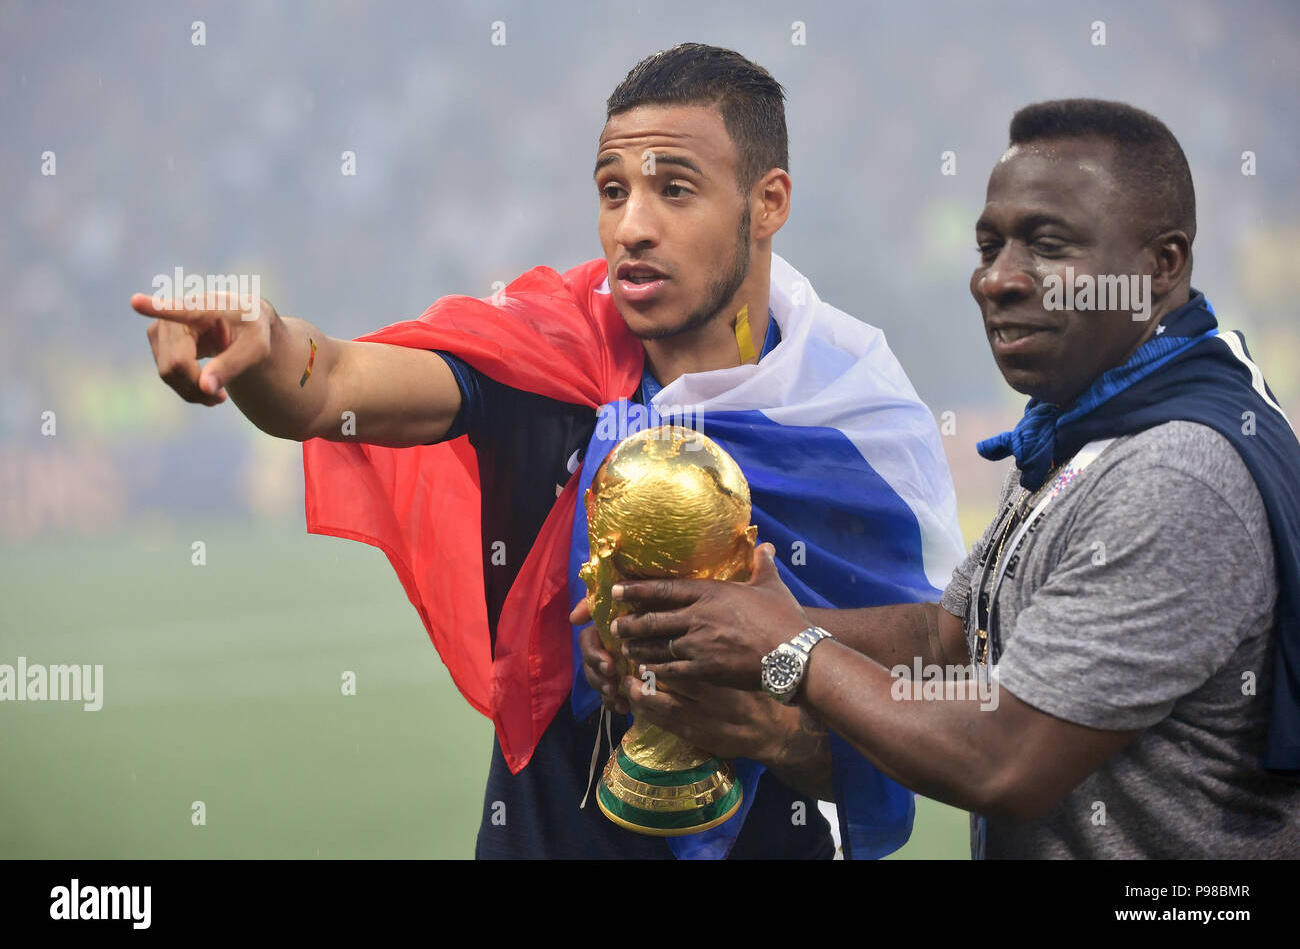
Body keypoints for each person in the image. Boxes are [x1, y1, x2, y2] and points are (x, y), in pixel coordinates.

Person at [131, 44, 963, 859]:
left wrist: (779, 727)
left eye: (675, 190)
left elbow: (936, 694)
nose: (631, 227)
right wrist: (266, 341)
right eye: (612, 191)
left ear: (768, 201)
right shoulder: (545, 357)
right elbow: (331, 382)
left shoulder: (849, 418)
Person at [599, 99, 1300, 858]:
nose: (996, 281)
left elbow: (1005, 760)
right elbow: (955, 641)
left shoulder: (1171, 472)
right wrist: (714, 626)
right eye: (990, 245)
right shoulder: (1083, 428)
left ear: (1161, 266)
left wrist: (791, 649)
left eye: (1047, 246)